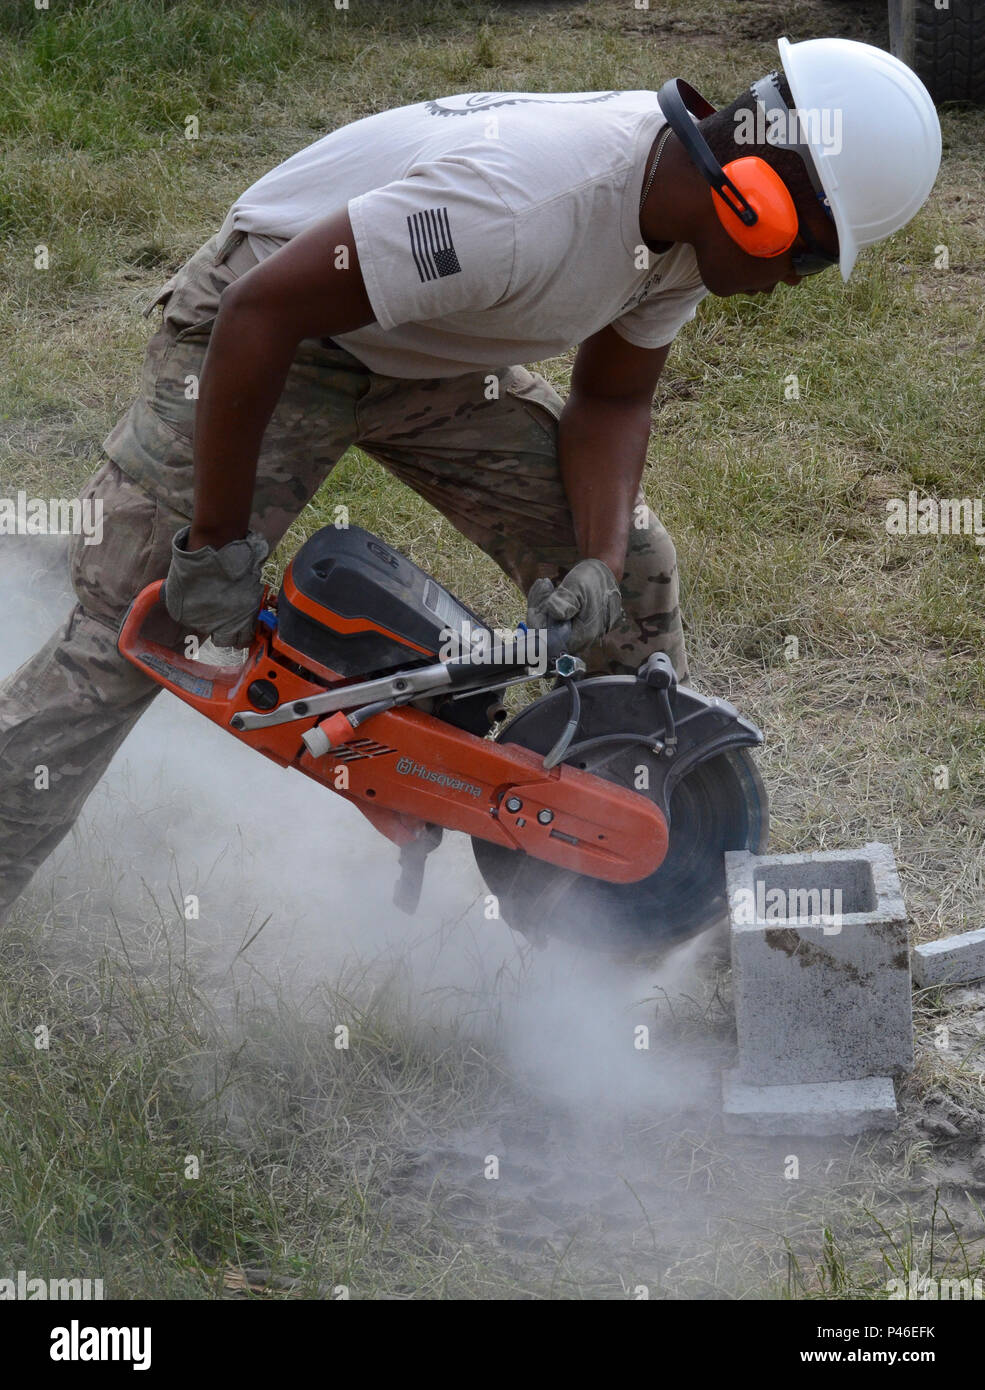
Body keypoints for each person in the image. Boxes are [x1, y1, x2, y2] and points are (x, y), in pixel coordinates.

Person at [0, 35, 941, 923]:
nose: (794, 283)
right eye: (811, 257)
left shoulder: (688, 230)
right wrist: (213, 543)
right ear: (753, 198)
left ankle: (619, 896)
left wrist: (600, 566)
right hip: (270, 332)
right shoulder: (520, 207)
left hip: (435, 350)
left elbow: (610, 403)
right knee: (135, 625)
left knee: (637, 574)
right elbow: (261, 310)